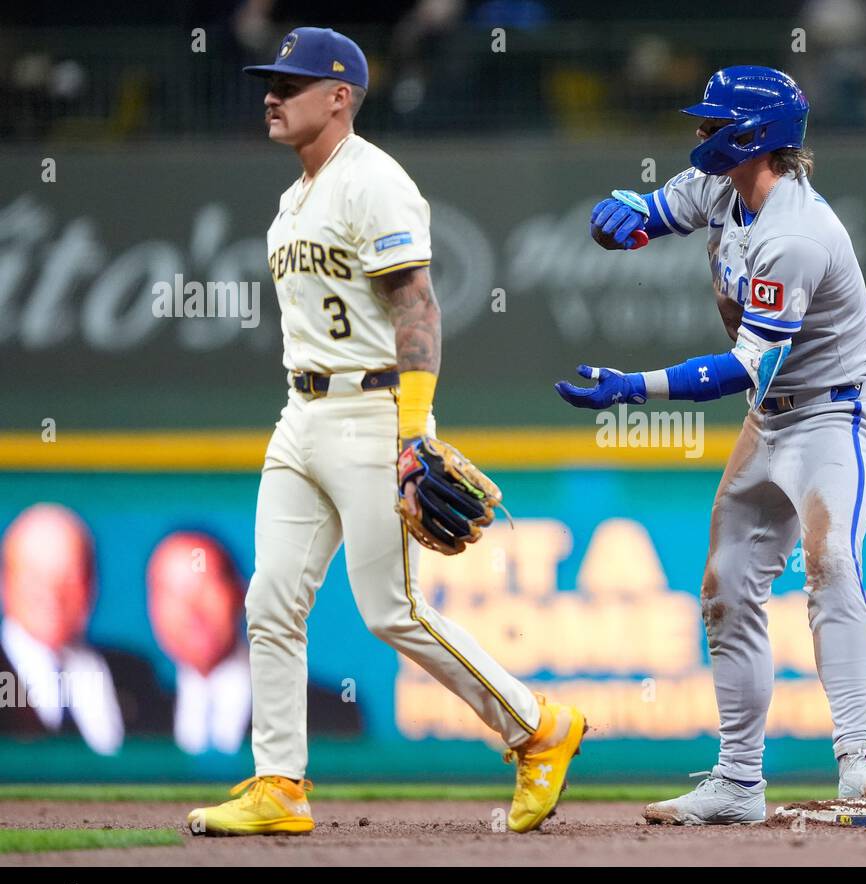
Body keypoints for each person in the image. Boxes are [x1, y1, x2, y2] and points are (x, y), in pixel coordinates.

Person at [187, 27, 585, 837]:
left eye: (291, 84)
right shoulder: (292, 202)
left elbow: (418, 308)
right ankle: (280, 785)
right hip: (300, 414)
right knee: (269, 601)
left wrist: (413, 436)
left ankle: (538, 728)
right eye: (270, 80)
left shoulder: (375, 183)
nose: (272, 94)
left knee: (390, 609)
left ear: (340, 97)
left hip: (373, 411)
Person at [557, 66, 866, 825]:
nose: (699, 136)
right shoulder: (720, 189)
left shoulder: (797, 236)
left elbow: (743, 366)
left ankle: (859, 759)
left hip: (833, 419)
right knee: (725, 588)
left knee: (831, 561)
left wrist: (630, 387)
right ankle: (739, 782)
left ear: (757, 138)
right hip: (770, 418)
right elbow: (646, 214)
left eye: (713, 126)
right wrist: (617, 217)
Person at [146, 530, 361, 755]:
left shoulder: (327, 712)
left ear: (241, 592)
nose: (192, 612)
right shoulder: (134, 717)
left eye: (206, 587)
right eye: (171, 593)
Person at [0, 503, 169, 753]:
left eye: (69, 577)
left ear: (92, 582)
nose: (52, 594)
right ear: (5, 582)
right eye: (34, 577)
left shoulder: (134, 676)